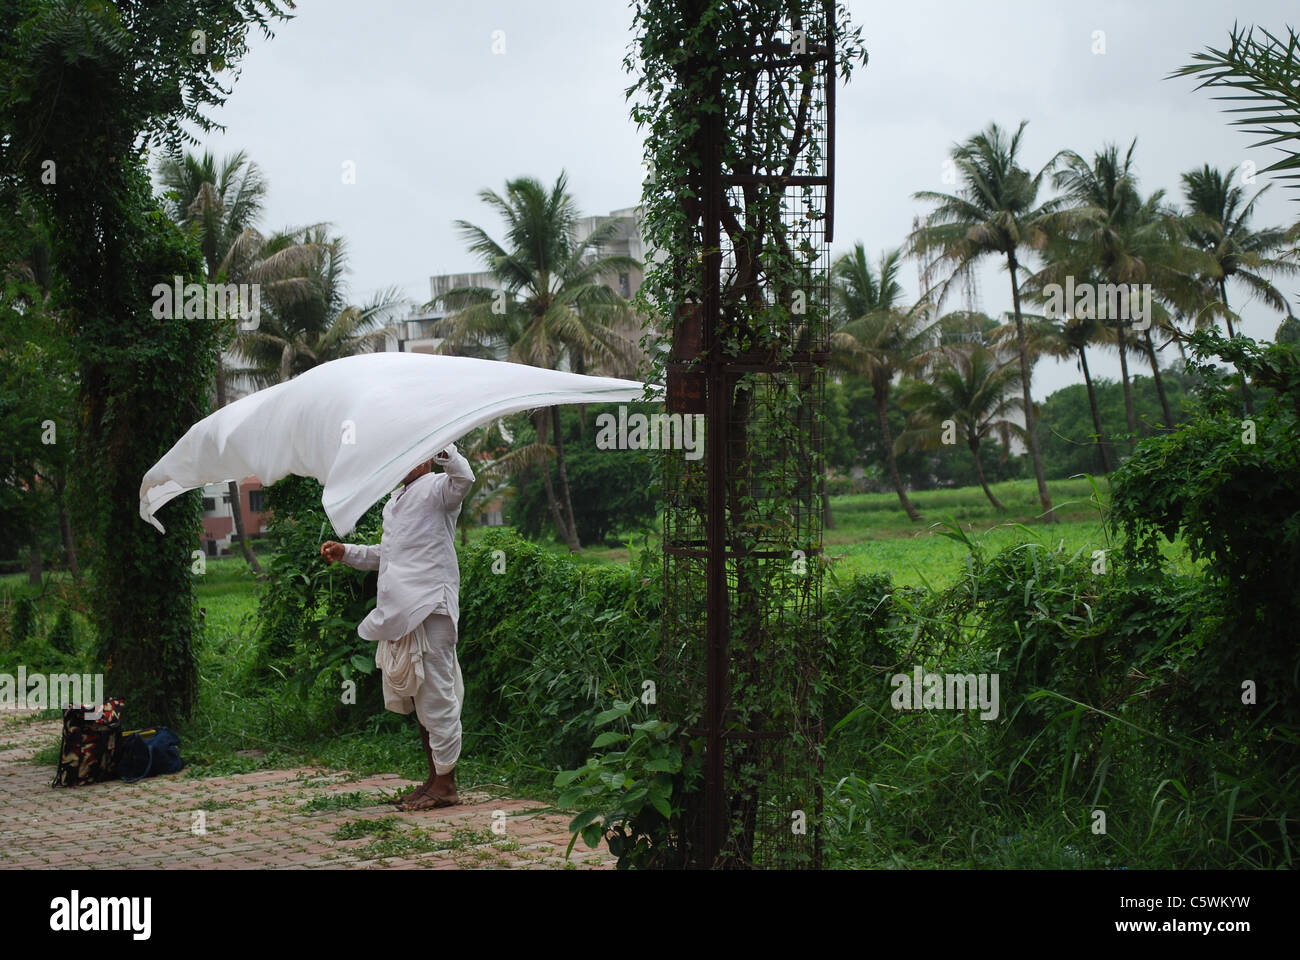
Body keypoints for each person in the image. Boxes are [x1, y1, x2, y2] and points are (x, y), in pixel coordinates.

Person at [320, 444, 474, 811]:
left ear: (424, 458)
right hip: (400, 614)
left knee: (437, 696)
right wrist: (347, 553)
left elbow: (465, 477)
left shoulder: (439, 487)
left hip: (431, 608)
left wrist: (443, 447)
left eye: (411, 451)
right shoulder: (395, 502)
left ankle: (446, 785)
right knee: (421, 695)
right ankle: (433, 780)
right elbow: (386, 555)